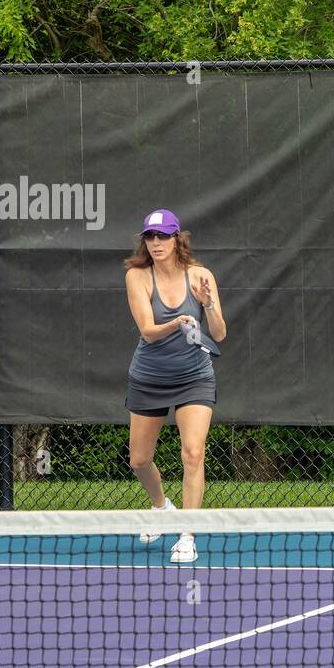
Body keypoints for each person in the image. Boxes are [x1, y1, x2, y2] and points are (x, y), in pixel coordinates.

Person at [123, 209, 225, 564]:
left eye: (163, 236)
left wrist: (207, 304)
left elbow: (220, 332)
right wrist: (177, 322)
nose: (156, 243)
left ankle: (187, 533)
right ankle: (161, 506)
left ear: (177, 238)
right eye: (150, 237)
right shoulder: (137, 276)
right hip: (149, 377)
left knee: (193, 453)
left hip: (194, 376)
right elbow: (148, 332)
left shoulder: (200, 275)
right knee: (139, 460)